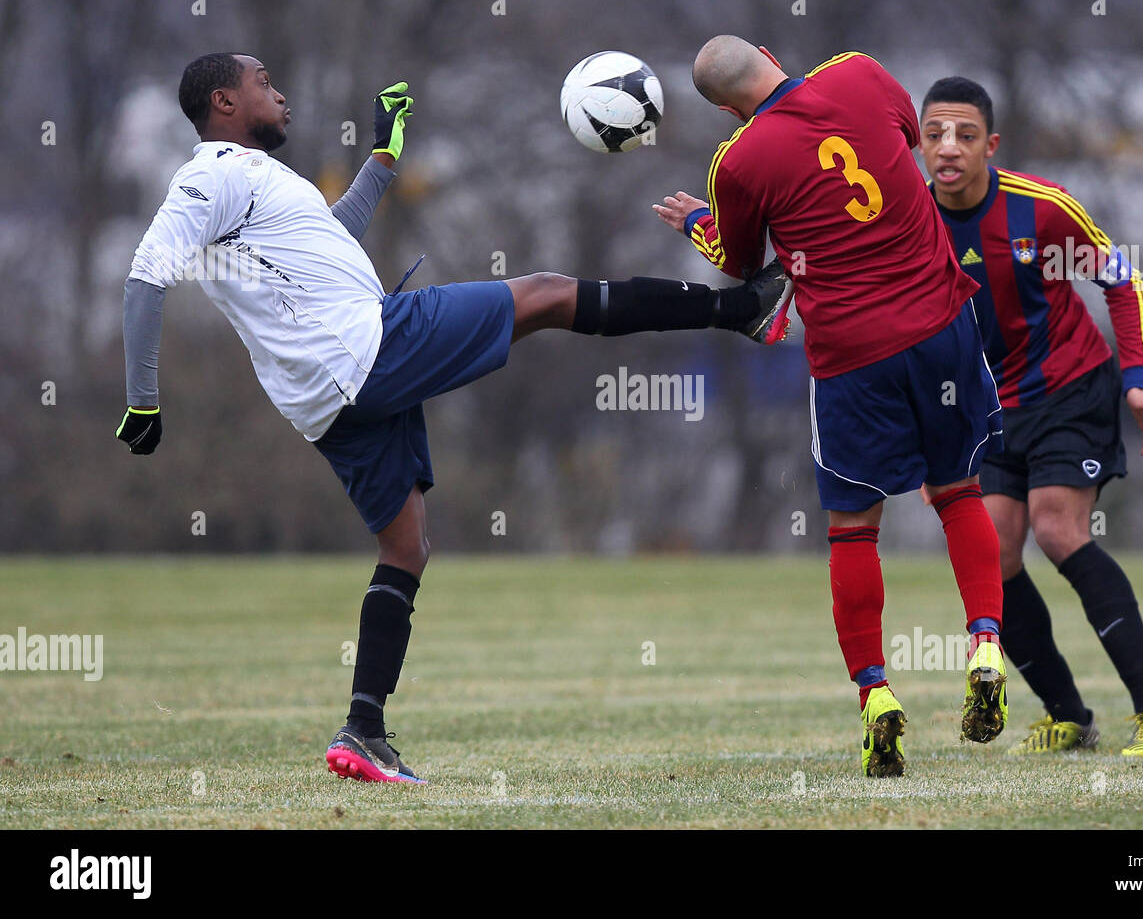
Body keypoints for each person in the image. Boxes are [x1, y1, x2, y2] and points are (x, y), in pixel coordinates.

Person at [116, 52, 786, 785]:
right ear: (224, 102)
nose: (280, 93)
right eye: (263, 84)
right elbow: (145, 278)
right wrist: (143, 398)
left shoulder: (254, 182)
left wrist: (381, 160)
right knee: (544, 294)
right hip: (365, 346)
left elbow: (329, 238)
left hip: (325, 395)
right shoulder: (208, 175)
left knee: (405, 549)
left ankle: (364, 731)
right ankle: (738, 309)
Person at [654, 37, 1008, 776]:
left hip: (854, 358)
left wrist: (696, 223)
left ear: (726, 108)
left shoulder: (739, 161)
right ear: (766, 51)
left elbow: (742, 261)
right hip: (942, 325)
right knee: (960, 491)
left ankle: (876, 695)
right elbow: (903, 145)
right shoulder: (860, 73)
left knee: (853, 533)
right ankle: (984, 641)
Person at [918, 76, 1143, 757]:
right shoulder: (908, 221)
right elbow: (912, 338)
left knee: (1056, 529)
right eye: (934, 134)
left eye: (965, 135)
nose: (948, 148)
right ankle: (1069, 715)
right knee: (994, 554)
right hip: (992, 410)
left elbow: (1121, 280)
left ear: (991, 146)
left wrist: (1135, 380)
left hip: (1071, 388)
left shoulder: (1041, 209)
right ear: (918, 142)